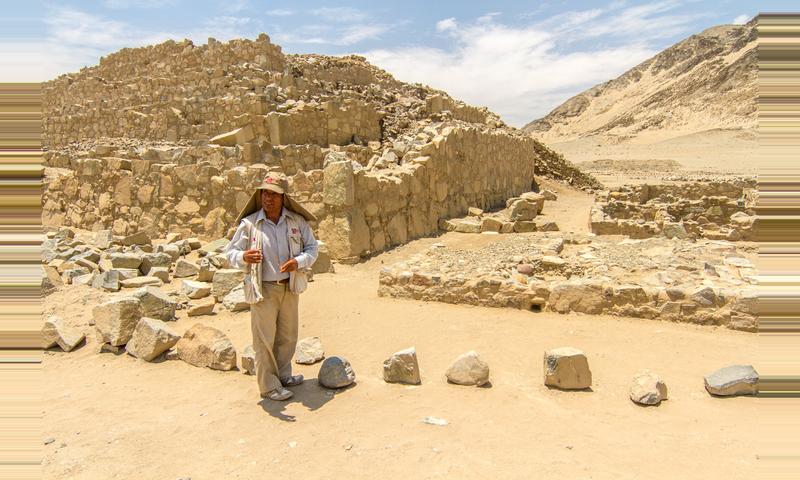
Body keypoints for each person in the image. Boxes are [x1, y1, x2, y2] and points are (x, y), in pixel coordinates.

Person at [224, 172, 319, 401]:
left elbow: (312, 249)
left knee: (287, 336)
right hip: (263, 289)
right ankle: (268, 386)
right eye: (265, 193)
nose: (268, 198)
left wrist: (298, 262)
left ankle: (283, 376)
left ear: (283, 198)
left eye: (274, 194)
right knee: (264, 340)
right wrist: (244, 256)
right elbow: (230, 253)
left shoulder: (296, 221)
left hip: (289, 287)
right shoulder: (250, 224)